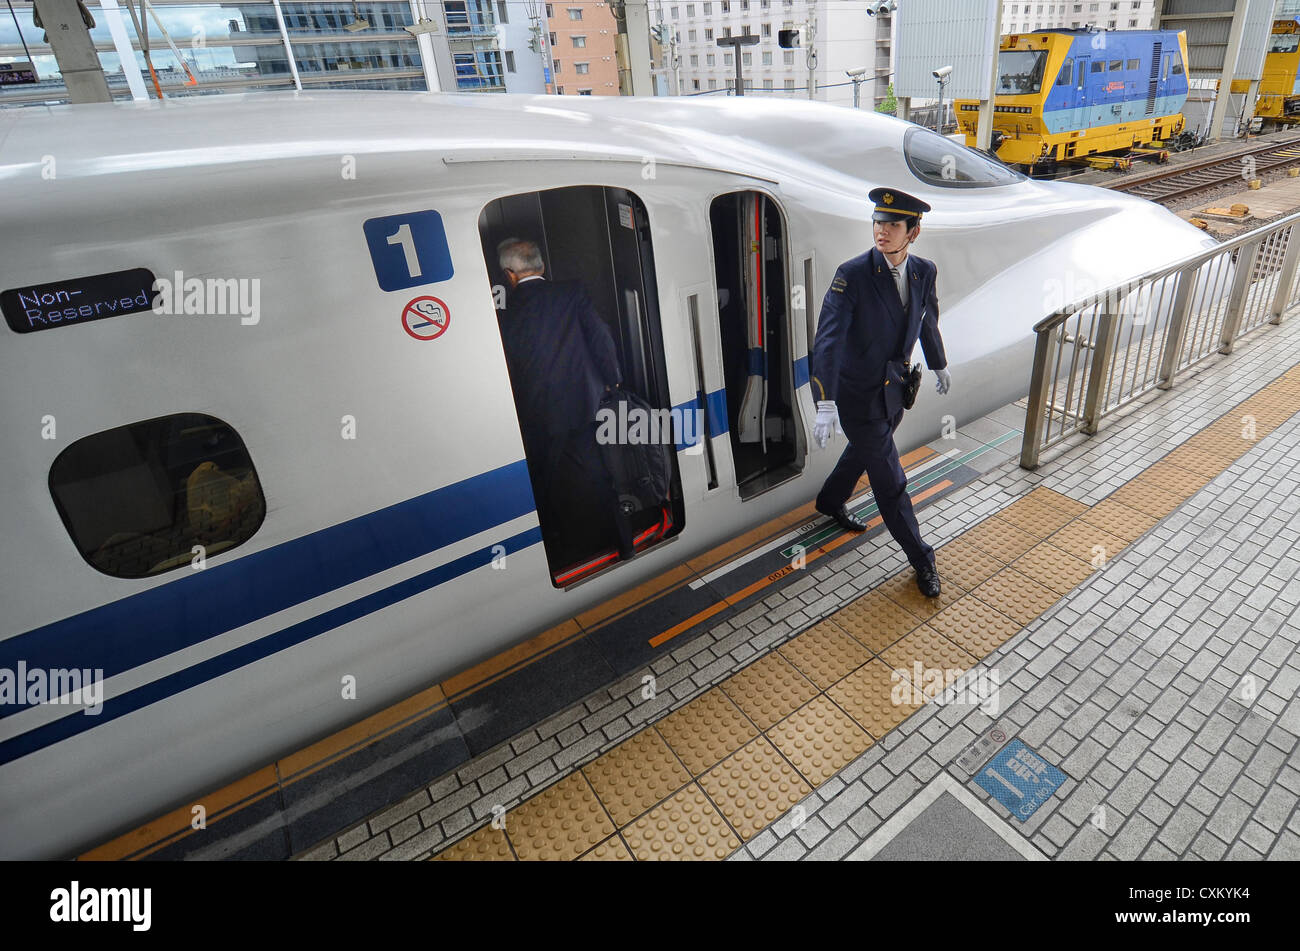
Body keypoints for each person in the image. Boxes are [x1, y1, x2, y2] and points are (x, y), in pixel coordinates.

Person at [809, 188, 952, 597]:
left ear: (914, 232)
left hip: (895, 392)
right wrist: (825, 400)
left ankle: (830, 501)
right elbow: (829, 341)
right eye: (878, 223)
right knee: (890, 481)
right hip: (858, 397)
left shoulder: (924, 270)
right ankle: (922, 558)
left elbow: (927, 320)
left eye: (892, 225)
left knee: (863, 451)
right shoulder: (851, 274)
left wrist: (938, 363)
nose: (882, 231)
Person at [495, 237, 634, 566]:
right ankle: (624, 544)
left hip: (535, 415)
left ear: (508, 274)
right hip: (582, 405)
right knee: (600, 476)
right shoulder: (572, 293)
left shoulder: (505, 313)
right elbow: (600, 337)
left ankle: (558, 553)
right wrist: (612, 378)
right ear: (541, 266)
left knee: (543, 483)